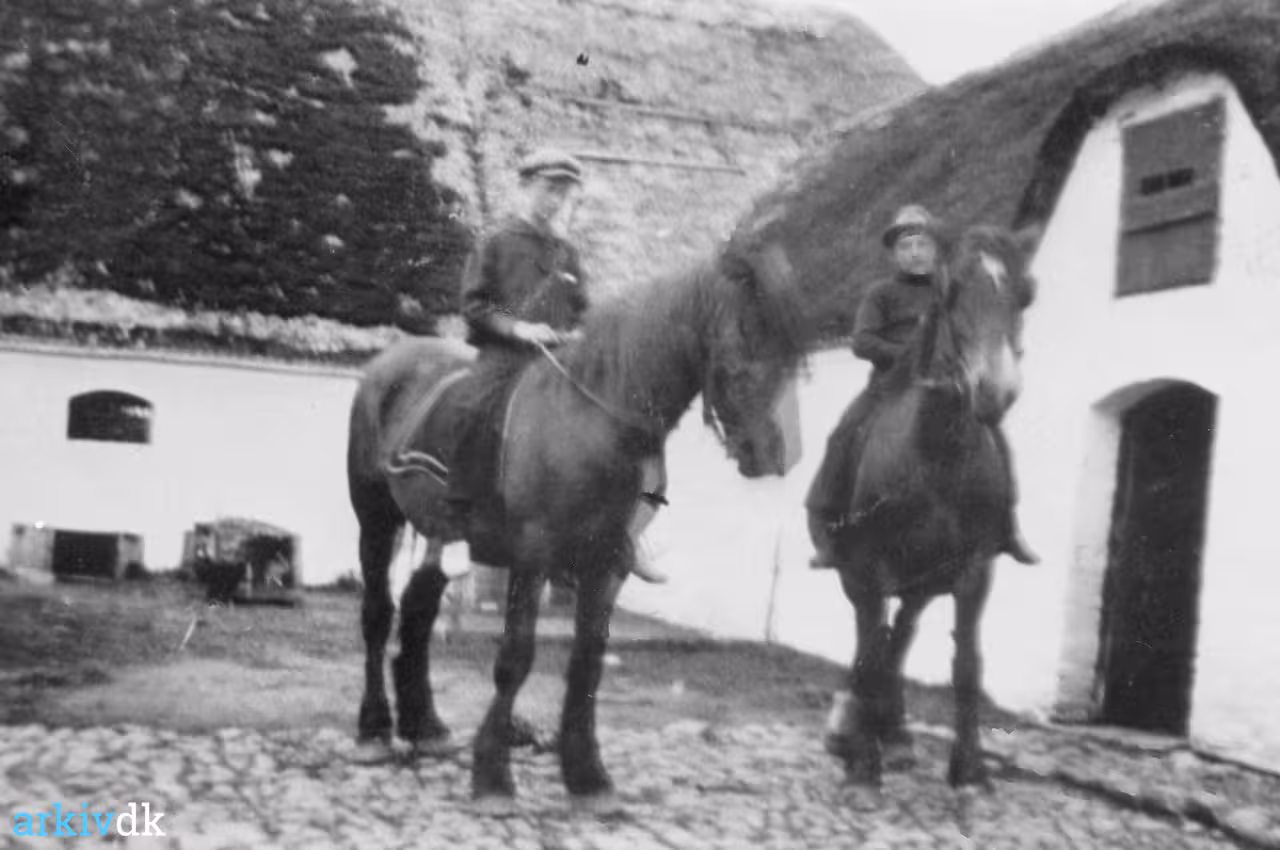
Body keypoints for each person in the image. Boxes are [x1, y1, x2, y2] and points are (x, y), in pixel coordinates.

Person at [445, 148, 668, 583]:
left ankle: (625, 534)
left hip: (562, 362)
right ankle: (455, 530)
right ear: (525, 186)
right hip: (506, 357)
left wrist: (585, 333)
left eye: (563, 193)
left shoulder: (565, 253)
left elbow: (583, 309)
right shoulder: (495, 241)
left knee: (623, 420)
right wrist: (518, 331)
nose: (554, 200)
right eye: (548, 189)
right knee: (472, 411)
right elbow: (472, 305)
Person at [806, 204, 1039, 569]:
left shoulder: (951, 290)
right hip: (887, 390)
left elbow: (971, 328)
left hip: (947, 389)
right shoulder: (881, 294)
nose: (915, 253)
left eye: (922, 245)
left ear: (936, 252)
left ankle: (1008, 527)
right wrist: (905, 354)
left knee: (993, 436)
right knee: (844, 434)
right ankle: (830, 529)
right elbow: (862, 342)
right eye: (905, 247)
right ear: (895, 254)